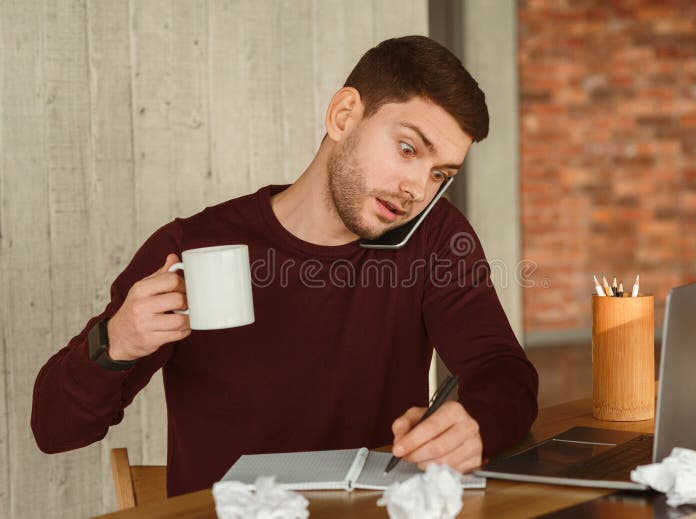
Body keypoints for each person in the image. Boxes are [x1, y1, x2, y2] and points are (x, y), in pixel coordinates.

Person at [31, 35, 538, 497]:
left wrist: (476, 424)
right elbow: (54, 430)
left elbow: (503, 372)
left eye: (439, 174)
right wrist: (114, 343)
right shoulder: (192, 247)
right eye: (407, 149)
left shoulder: (435, 238)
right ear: (343, 116)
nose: (417, 190)